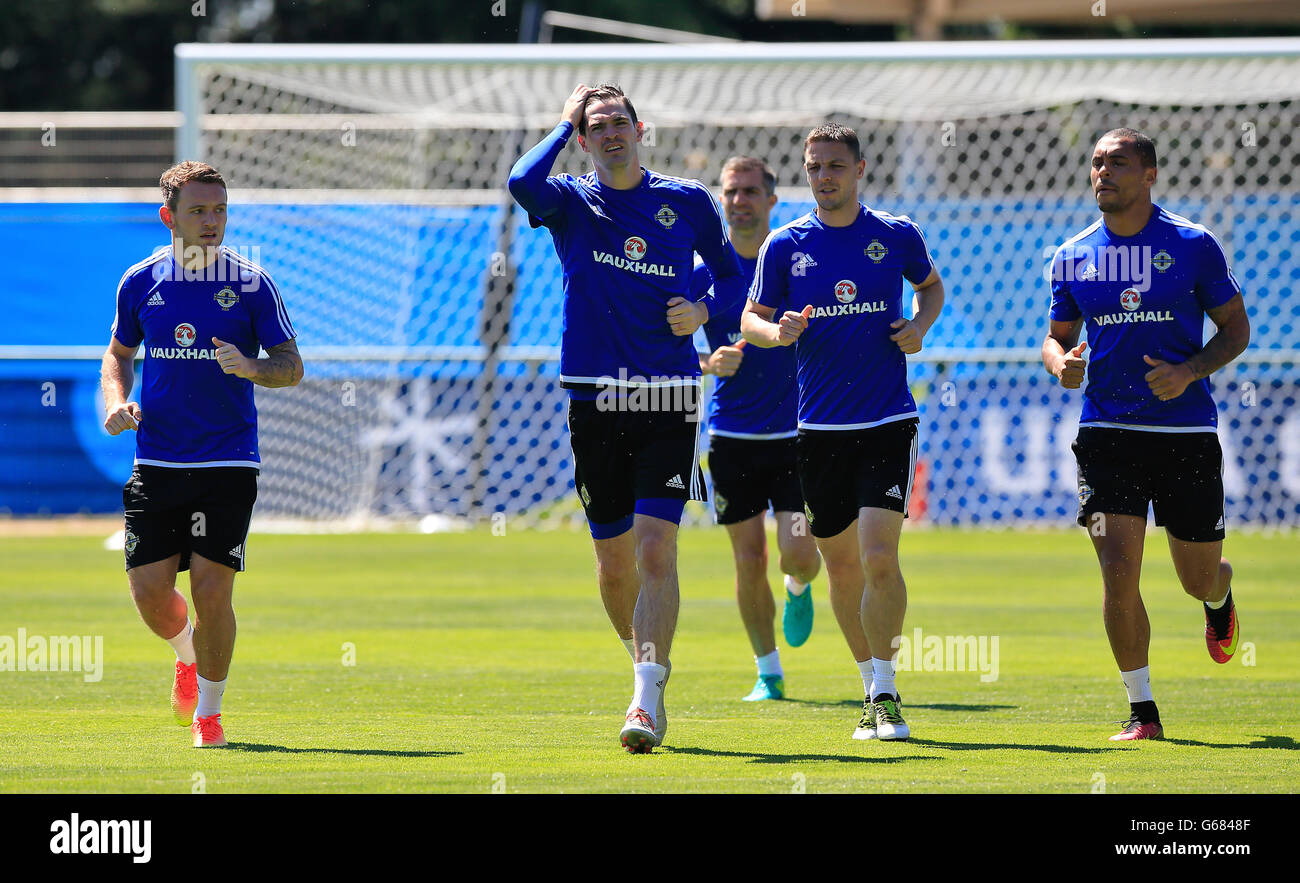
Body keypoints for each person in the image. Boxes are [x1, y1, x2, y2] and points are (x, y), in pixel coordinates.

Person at [507, 84, 747, 753]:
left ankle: (645, 697)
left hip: (669, 396)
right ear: (583, 138)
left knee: (654, 549)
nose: (610, 132)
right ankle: (645, 662)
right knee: (614, 567)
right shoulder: (571, 202)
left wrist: (702, 312)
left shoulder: (688, 201)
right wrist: (560, 118)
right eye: (596, 125)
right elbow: (520, 180)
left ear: (641, 129)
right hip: (594, 398)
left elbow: (731, 281)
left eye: (619, 121)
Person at [1043, 128, 1249, 742]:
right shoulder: (1071, 255)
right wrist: (1063, 366)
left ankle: (1220, 596)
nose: (1104, 172)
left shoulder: (1192, 245)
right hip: (1106, 433)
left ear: (1150, 174)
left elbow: (1236, 332)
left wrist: (1189, 371)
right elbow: (1054, 338)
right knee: (1117, 570)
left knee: (1195, 577)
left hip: (1185, 435)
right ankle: (1143, 711)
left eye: (1119, 163)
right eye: (1097, 162)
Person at [741, 124, 945, 741]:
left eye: (834, 165)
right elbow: (751, 318)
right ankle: (868, 685)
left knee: (881, 556)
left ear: (859, 169)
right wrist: (776, 334)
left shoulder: (895, 234)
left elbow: (930, 287)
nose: (823, 176)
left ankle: (886, 692)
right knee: (844, 570)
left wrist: (919, 326)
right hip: (818, 429)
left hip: (886, 420)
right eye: (813, 166)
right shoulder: (785, 244)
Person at [101, 161, 303, 748]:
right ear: (169, 216)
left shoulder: (252, 284)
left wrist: (252, 366)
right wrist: (118, 401)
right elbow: (117, 355)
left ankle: (209, 716)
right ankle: (185, 654)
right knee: (150, 593)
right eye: (198, 211)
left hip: (228, 461)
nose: (212, 222)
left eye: (219, 210)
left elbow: (292, 367)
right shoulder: (140, 282)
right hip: (158, 460)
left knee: (215, 589)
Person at [692, 156, 820, 702]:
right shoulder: (706, 275)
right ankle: (768, 672)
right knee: (747, 559)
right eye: (730, 192)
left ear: (771, 200)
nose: (739, 201)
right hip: (731, 437)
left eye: (750, 192)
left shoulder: (795, 264)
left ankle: (798, 587)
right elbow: (669, 347)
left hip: (798, 434)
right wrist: (706, 362)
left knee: (797, 555)